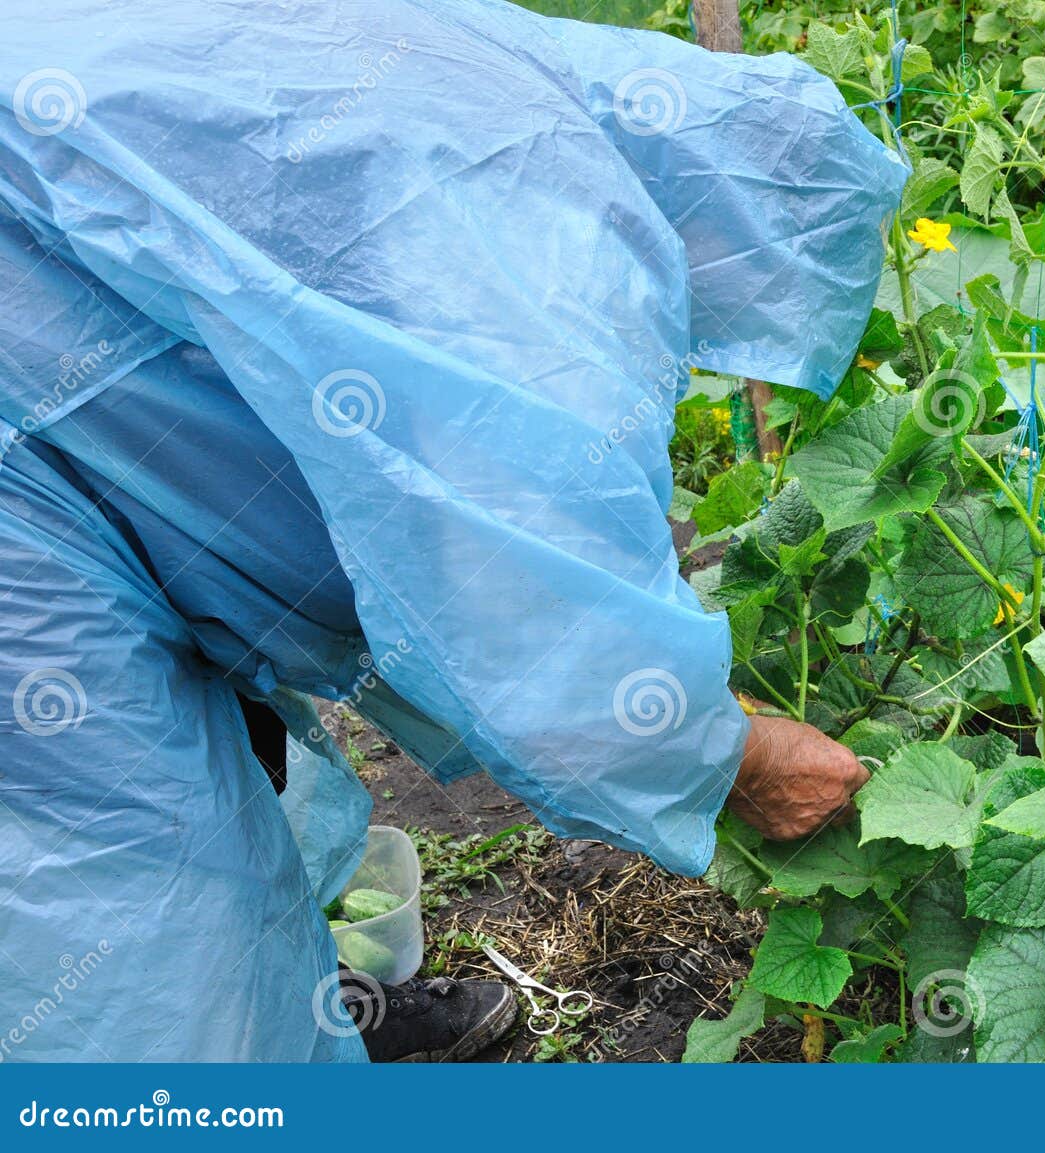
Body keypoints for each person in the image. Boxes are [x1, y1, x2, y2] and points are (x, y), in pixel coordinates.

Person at [0, 0, 903, 1061]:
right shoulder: (544, 225)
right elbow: (522, 614)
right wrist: (731, 754)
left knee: (203, 809)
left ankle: (299, 999)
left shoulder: (507, 94)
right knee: (136, 915)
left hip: (63, 363)